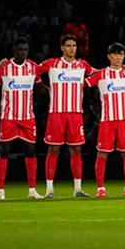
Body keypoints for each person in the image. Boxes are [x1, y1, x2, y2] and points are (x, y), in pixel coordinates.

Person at [0, 37, 42, 200]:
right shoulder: (4, 68)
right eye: (20, 49)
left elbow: (40, 89)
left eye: (26, 49)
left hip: (27, 117)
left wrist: (57, 93)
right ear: (14, 50)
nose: (23, 52)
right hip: (9, 117)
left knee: (31, 151)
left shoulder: (33, 67)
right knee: (4, 151)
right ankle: (0, 191)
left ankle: (32, 190)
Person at [40, 34, 93, 198]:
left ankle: (77, 189)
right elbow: (31, 71)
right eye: (68, 46)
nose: (72, 48)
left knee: (76, 149)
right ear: (62, 47)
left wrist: (118, 68)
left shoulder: (82, 65)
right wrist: (43, 88)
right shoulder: (52, 63)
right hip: (56, 113)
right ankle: (49, 190)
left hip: (76, 114)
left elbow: (99, 74)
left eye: (74, 46)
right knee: (53, 149)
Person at [85, 43, 125, 197]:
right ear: (109, 56)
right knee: (102, 154)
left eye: (121, 54)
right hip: (107, 121)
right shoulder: (101, 74)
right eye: (115, 54)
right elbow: (83, 84)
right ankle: (100, 188)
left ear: (124, 56)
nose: (118, 57)